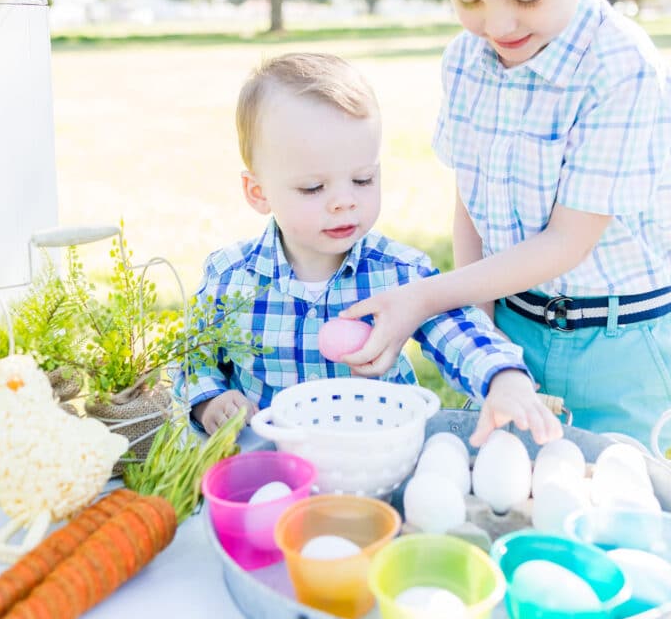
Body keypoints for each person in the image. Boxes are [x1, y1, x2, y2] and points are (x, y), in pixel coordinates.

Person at [340, 0, 671, 451]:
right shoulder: (467, 62)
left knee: (612, 503)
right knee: (507, 495)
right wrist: (488, 345)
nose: (498, 25)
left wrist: (424, 297)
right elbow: (470, 206)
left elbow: (566, 244)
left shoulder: (621, 69)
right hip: (517, 325)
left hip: (619, 347)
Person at [179, 51, 558, 444]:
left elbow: (458, 329)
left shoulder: (397, 273)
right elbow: (195, 358)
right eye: (313, 187)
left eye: (362, 179)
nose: (345, 201)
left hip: (377, 460)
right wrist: (209, 401)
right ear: (258, 193)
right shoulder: (230, 277)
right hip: (274, 468)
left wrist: (504, 377)